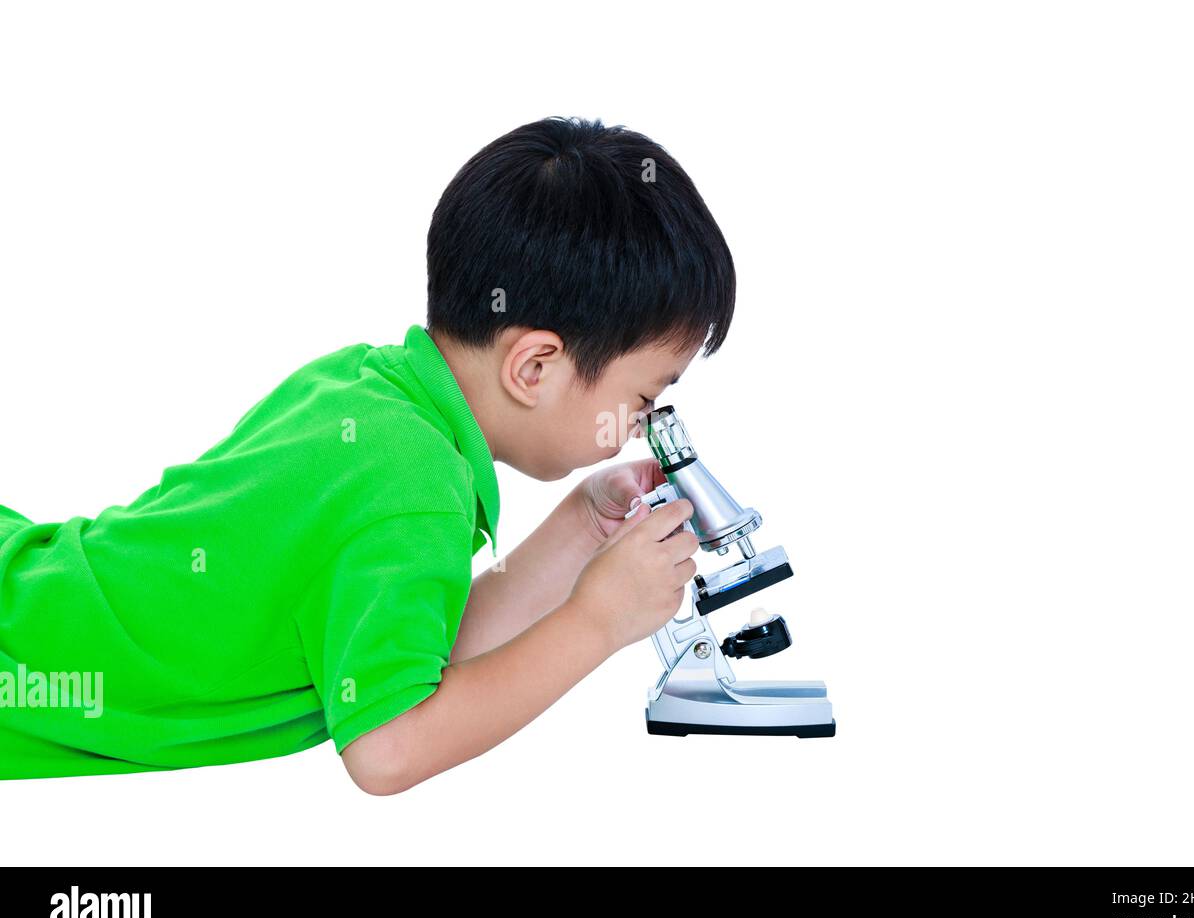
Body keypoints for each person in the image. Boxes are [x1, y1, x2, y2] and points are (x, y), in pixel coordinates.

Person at [0, 116, 736, 793]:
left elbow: (407, 658)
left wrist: (583, 531)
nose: (643, 426)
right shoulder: (411, 484)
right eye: (644, 398)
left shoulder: (372, 394)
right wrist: (598, 622)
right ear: (534, 367)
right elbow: (387, 744)